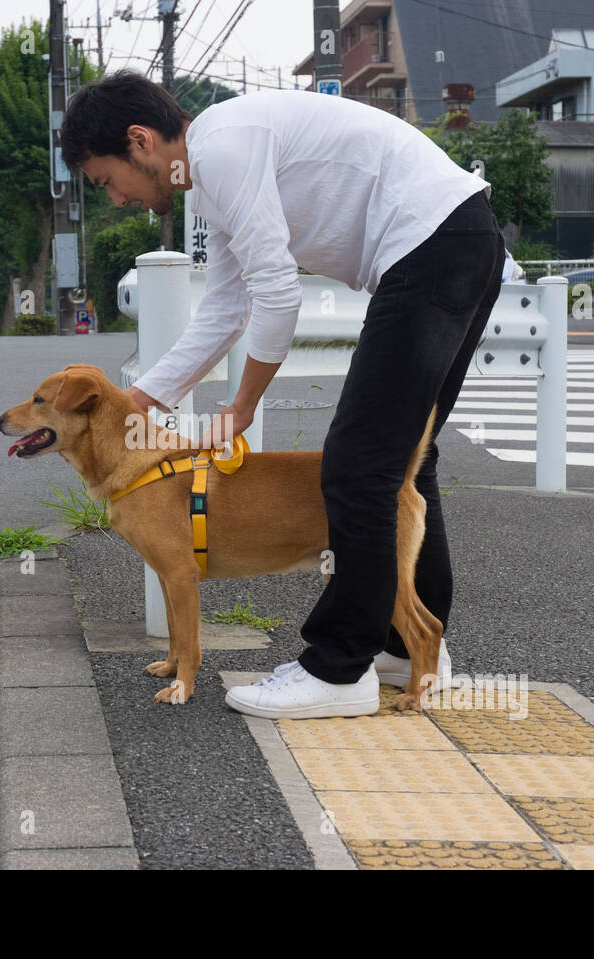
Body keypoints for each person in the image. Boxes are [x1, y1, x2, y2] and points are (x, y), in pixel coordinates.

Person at [60, 71, 505, 719]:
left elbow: (277, 292)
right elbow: (224, 309)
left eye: (107, 180)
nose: (118, 199)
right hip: (456, 239)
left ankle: (337, 668)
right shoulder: (211, 179)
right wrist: (135, 404)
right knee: (403, 457)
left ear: (140, 141)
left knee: (356, 464)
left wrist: (239, 408)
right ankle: (400, 649)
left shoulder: (221, 150)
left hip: (432, 243)